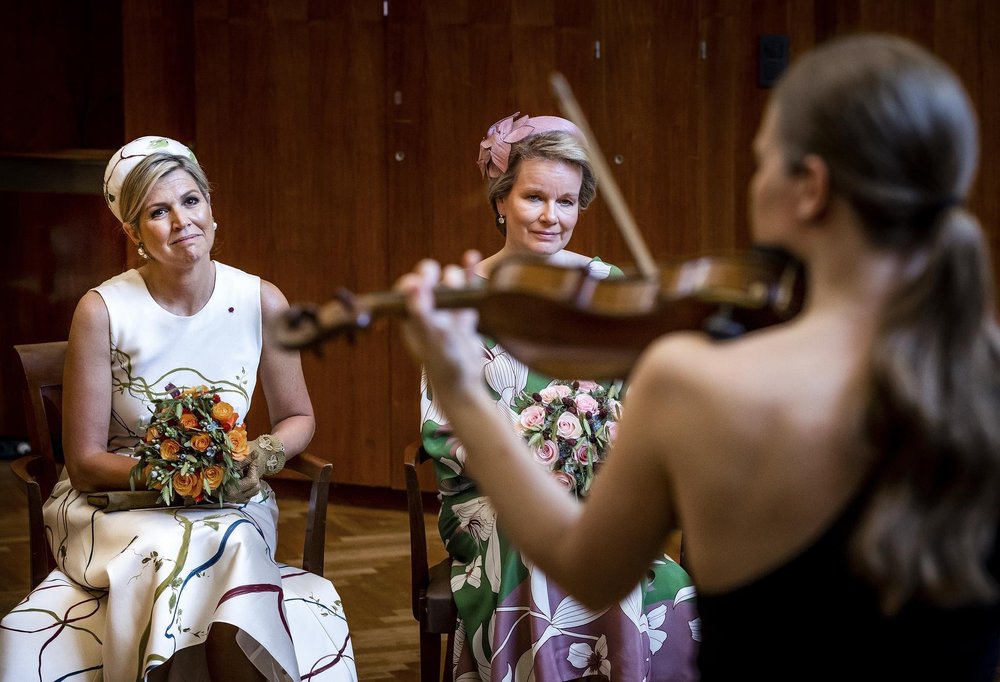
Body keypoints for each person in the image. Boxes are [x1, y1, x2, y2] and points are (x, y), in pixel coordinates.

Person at [399, 34, 1000, 680]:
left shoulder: (696, 382)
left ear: (810, 188)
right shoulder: (981, 369)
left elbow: (589, 567)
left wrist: (461, 387)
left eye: (762, 160)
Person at [0, 137, 357, 681]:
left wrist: (260, 455)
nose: (181, 222)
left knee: (229, 535)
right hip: (116, 509)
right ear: (134, 233)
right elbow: (86, 461)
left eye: (191, 201)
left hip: (233, 504)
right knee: (180, 543)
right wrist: (182, 479)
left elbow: (298, 417)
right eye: (157, 212)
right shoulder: (101, 310)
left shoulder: (263, 300)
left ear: (212, 209)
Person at [419, 113, 699, 680]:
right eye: (534, 198)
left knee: (668, 584)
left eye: (566, 202)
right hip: (492, 502)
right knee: (535, 540)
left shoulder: (608, 287)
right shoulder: (460, 297)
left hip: (600, 496)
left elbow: (640, 411)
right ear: (501, 201)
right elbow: (443, 431)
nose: (552, 216)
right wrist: (531, 477)